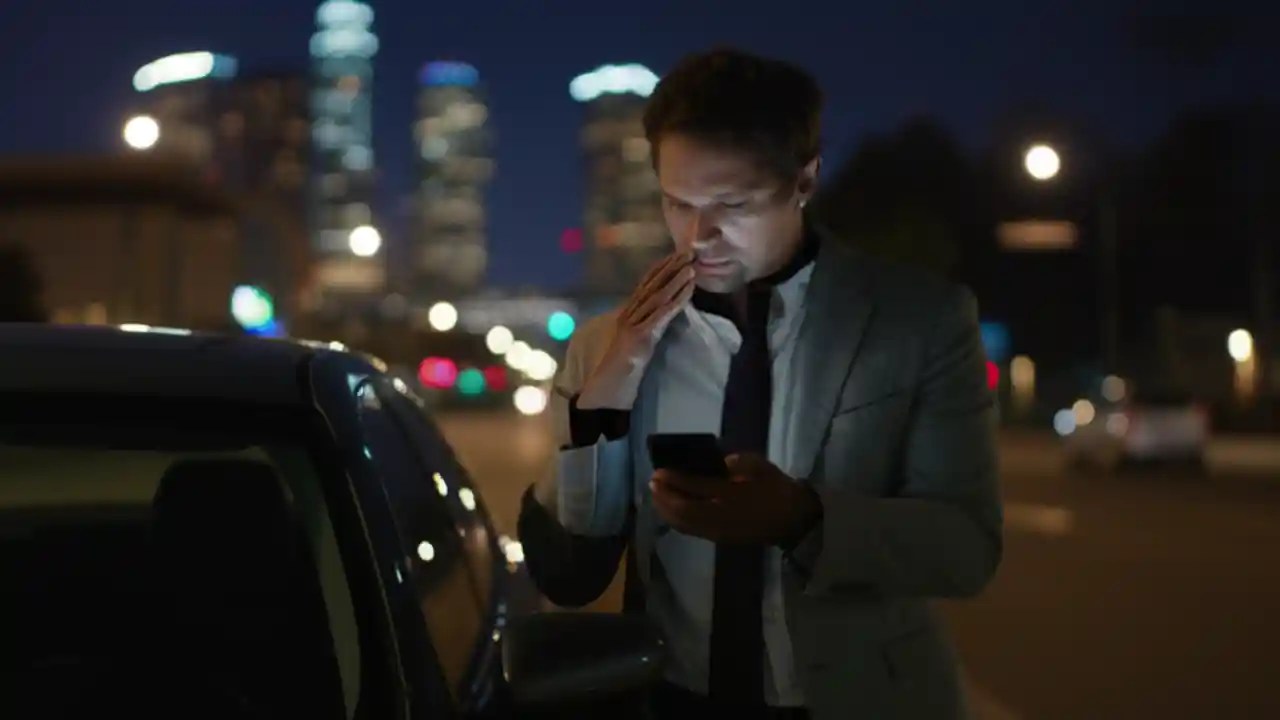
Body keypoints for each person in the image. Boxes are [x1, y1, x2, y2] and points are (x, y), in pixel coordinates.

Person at [518, 46, 1002, 720]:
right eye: (676, 202)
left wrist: (802, 519)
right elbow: (568, 576)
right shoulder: (607, 345)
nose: (697, 236)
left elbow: (967, 547)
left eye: (731, 204)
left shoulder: (915, 321)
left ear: (804, 181)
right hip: (674, 700)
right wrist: (610, 389)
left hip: (857, 701)